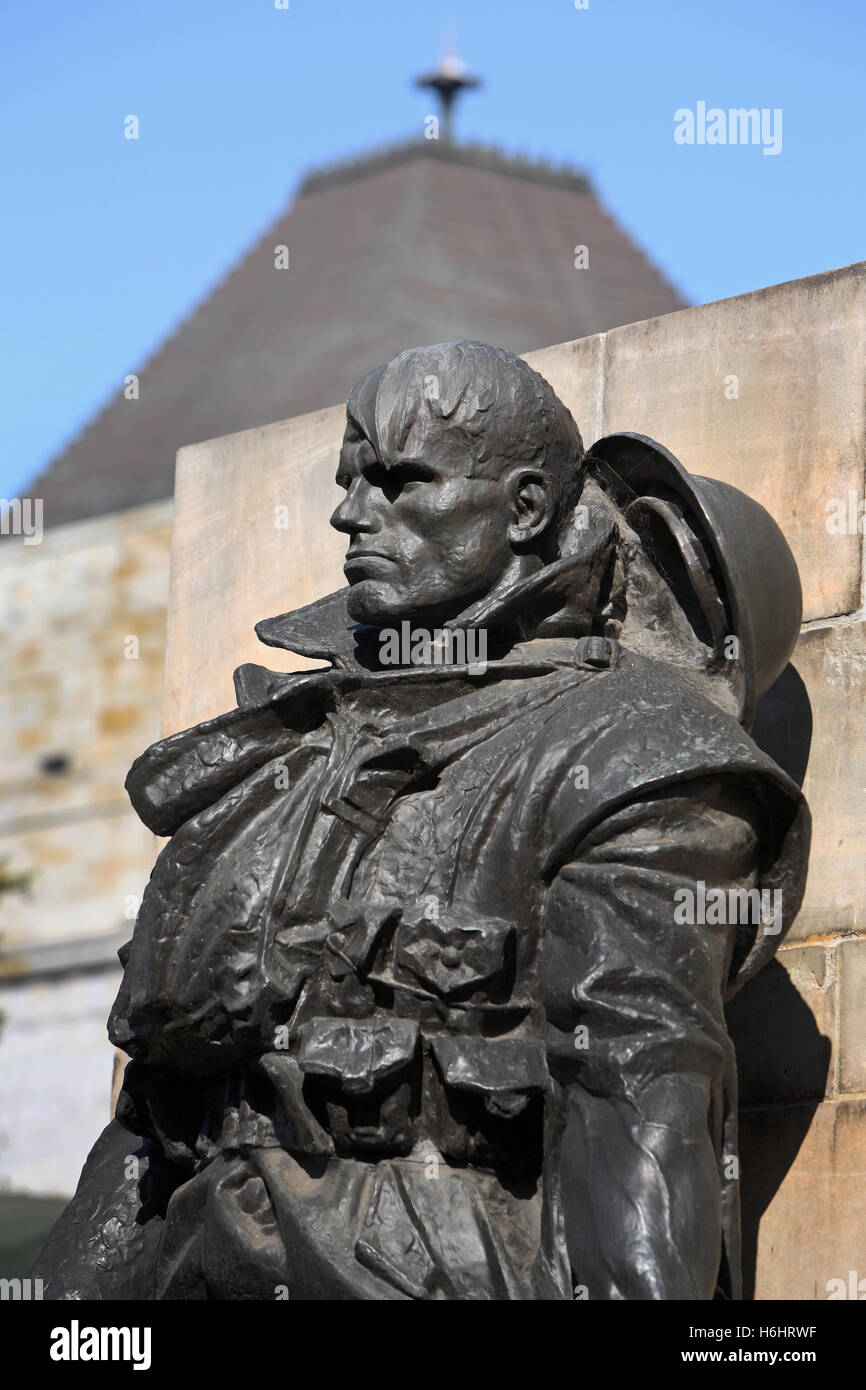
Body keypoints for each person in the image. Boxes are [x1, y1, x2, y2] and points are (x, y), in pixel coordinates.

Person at [35, 341, 809, 1300]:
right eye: (350, 480)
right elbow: (154, 1114)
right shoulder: (291, 751)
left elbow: (639, 1102)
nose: (349, 512)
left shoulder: (632, 754)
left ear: (525, 509)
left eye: (400, 481)